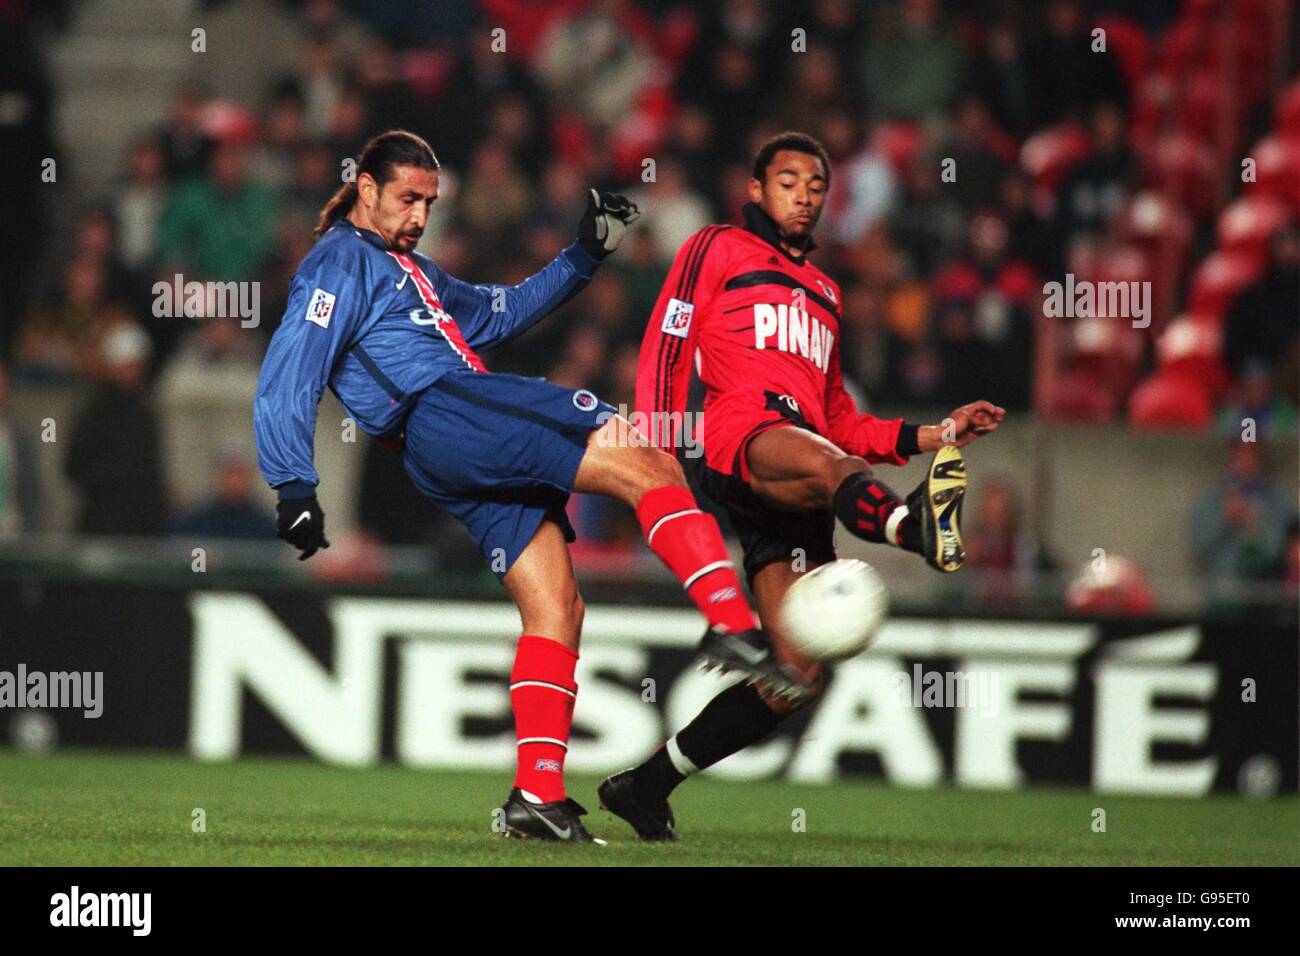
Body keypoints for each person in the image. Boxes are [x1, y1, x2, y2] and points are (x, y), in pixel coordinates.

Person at [253, 130, 789, 844]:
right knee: (647, 461)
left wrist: (583, 256)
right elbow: (292, 366)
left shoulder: (413, 270)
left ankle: (534, 798)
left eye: (430, 202)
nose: (419, 215)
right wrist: (293, 482)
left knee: (557, 607)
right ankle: (730, 618)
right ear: (366, 188)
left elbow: (501, 313)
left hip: (443, 446)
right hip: (445, 411)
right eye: (407, 198)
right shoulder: (338, 263)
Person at [607, 131, 1004, 841]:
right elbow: (668, 337)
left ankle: (645, 785)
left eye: (817, 186)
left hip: (799, 474)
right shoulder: (716, 246)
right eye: (789, 181)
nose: (804, 196)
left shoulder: (826, 291)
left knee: (794, 677)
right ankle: (912, 530)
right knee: (830, 467)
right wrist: (658, 444)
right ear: (756, 190)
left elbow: (842, 418)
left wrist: (934, 436)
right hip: (740, 435)